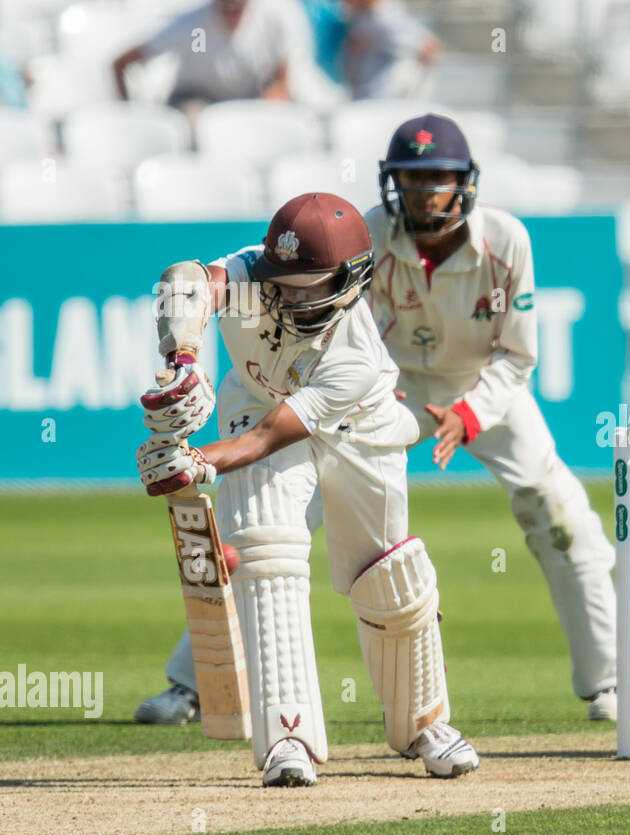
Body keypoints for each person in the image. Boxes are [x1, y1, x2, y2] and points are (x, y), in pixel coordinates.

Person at [136, 114, 630, 728]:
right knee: (274, 522)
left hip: (481, 388)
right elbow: (330, 337)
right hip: (377, 390)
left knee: (558, 511)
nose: (426, 193)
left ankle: (613, 679)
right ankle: (196, 684)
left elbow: (518, 357)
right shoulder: (365, 238)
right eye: (412, 178)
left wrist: (467, 415)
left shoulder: (507, 242)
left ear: (465, 183)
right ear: (391, 182)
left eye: (438, 180)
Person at [137, 192, 478, 785]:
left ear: (351, 281)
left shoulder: (356, 358)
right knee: (266, 550)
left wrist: (195, 461)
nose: (291, 297)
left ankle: (425, 725)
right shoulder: (252, 276)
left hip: (360, 427)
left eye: (309, 286)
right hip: (256, 403)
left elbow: (273, 436)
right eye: (283, 282)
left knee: (389, 579)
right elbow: (186, 282)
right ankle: (286, 739)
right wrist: (184, 359)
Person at [112, 0, 307, 110]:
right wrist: (127, 112)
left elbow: (282, 81)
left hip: (248, 104)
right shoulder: (190, 25)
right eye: (227, 7)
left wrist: (268, 103)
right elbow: (121, 62)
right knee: (195, 117)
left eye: (238, 7)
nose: (233, 9)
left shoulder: (271, 23)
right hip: (195, 102)